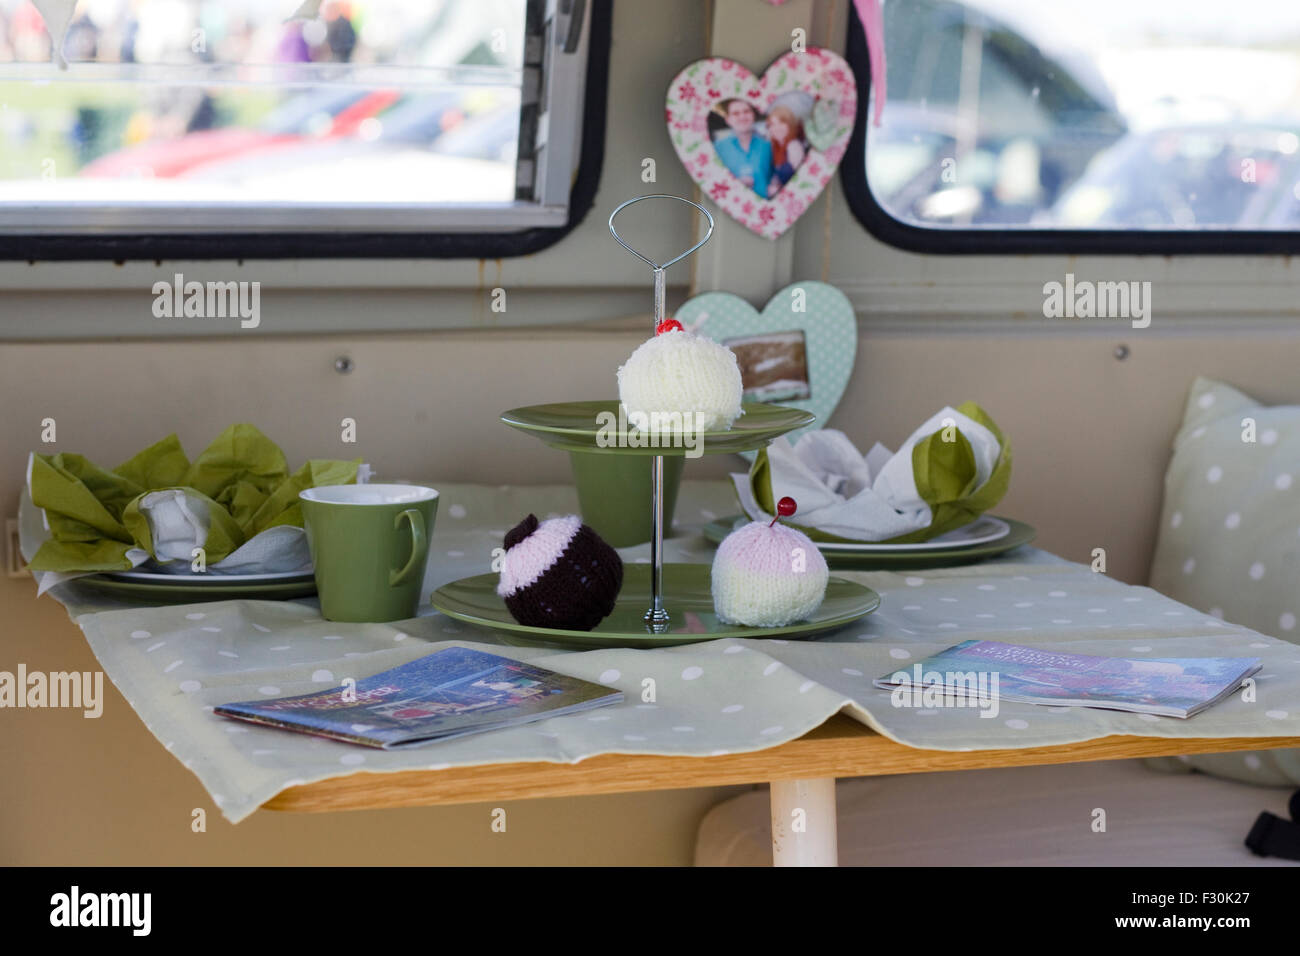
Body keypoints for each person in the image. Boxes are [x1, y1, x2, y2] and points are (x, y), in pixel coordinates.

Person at [713, 99, 771, 199]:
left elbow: (776, 178)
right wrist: (735, 184)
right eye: (736, 113)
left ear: (753, 115)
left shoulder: (768, 146)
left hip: (765, 208)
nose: (742, 116)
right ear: (728, 119)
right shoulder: (718, 148)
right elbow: (712, 181)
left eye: (746, 111)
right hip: (730, 207)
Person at [766, 105, 806, 196]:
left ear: (790, 125)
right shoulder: (775, 146)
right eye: (772, 124)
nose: (776, 128)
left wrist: (778, 188)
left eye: (781, 123)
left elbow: (799, 180)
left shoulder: (794, 146)